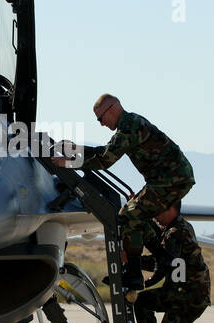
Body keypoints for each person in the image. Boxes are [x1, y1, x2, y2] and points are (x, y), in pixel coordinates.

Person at [55, 93, 195, 290]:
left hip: (171, 179)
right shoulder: (128, 125)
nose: (101, 124)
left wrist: (68, 163)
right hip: (169, 179)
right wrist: (76, 149)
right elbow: (105, 150)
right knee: (136, 215)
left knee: (127, 214)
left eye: (100, 118)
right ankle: (162, 259)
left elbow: (104, 161)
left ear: (111, 109)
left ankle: (135, 274)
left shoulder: (129, 127)